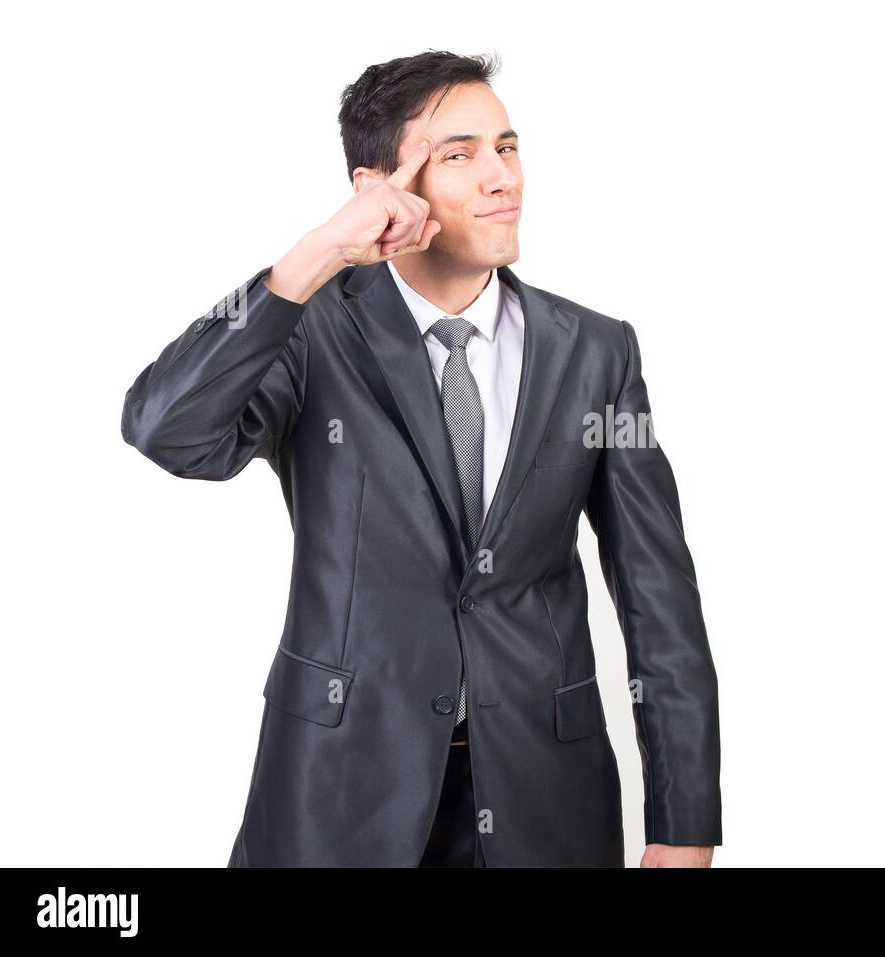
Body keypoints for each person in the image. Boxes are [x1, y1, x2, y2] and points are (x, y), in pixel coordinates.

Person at [121, 50, 721, 867]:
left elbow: (660, 593)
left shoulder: (598, 351)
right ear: (380, 187)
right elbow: (165, 426)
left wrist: (684, 822)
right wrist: (313, 257)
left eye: (507, 147)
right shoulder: (308, 332)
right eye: (460, 154)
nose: (501, 176)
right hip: (339, 797)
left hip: (545, 802)